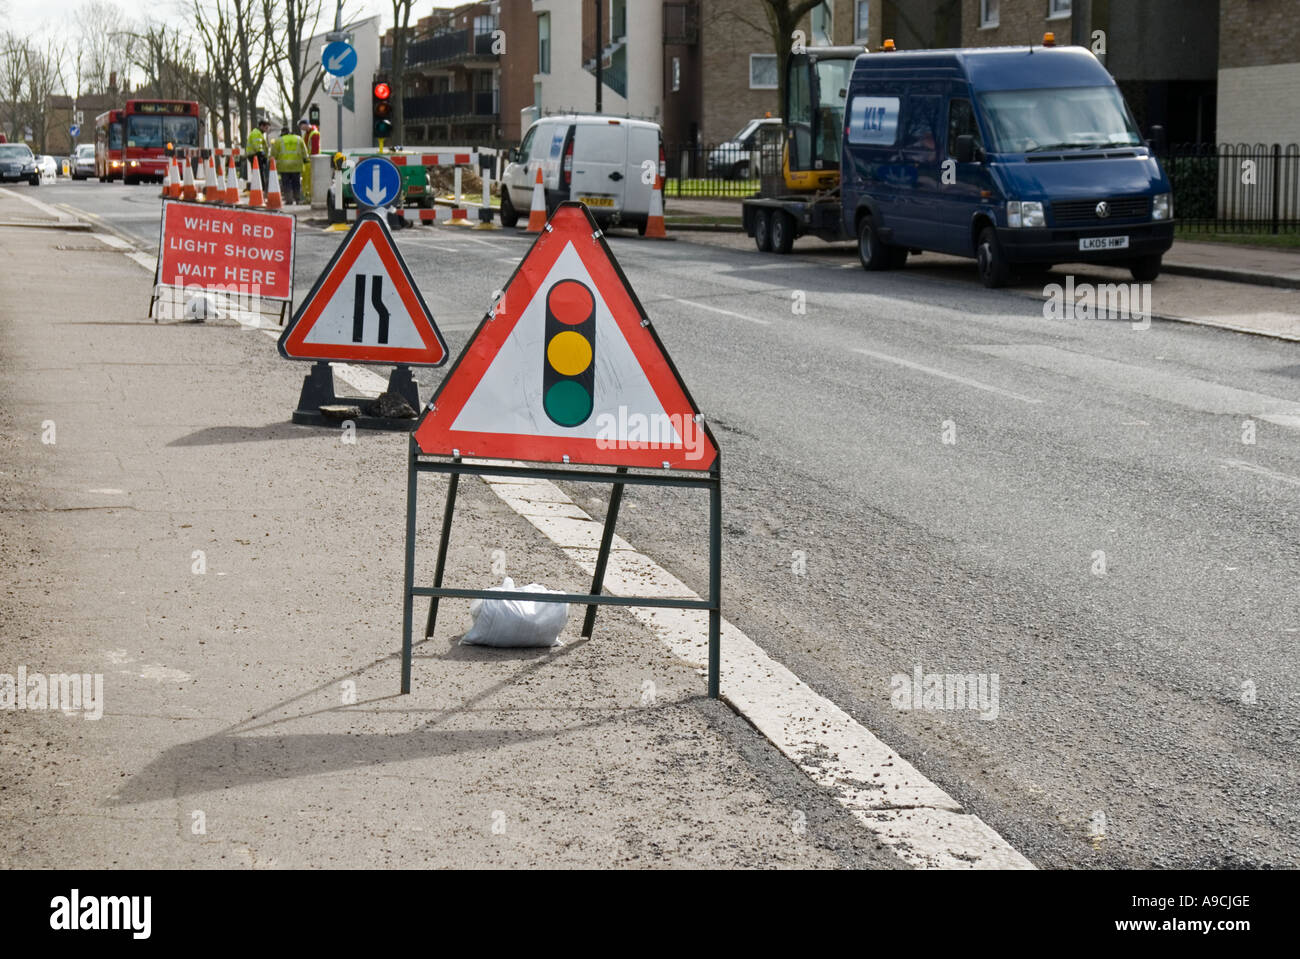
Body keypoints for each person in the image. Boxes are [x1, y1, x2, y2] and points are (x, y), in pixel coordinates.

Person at [273, 124, 308, 204]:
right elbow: (304, 152)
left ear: (282, 133)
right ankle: (298, 199)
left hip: (284, 166)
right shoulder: (299, 139)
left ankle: (289, 200)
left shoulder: (279, 140)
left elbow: (273, 154)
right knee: (296, 183)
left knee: (286, 184)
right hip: (296, 166)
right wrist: (305, 159)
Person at [298, 118, 321, 202]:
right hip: (308, 160)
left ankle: (309, 198)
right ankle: (307, 197)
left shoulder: (313, 133)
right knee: (306, 180)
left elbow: (315, 149)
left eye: (301, 126)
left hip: (311, 161)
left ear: (305, 124)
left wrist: (312, 159)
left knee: (309, 180)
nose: (301, 129)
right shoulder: (308, 133)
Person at [247, 119, 270, 189]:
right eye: (266, 128)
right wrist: (262, 154)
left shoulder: (259, 134)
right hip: (255, 155)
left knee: (259, 172)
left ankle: (261, 187)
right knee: (259, 172)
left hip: (257, 155)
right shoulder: (256, 133)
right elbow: (257, 146)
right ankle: (260, 188)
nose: (267, 130)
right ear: (261, 126)